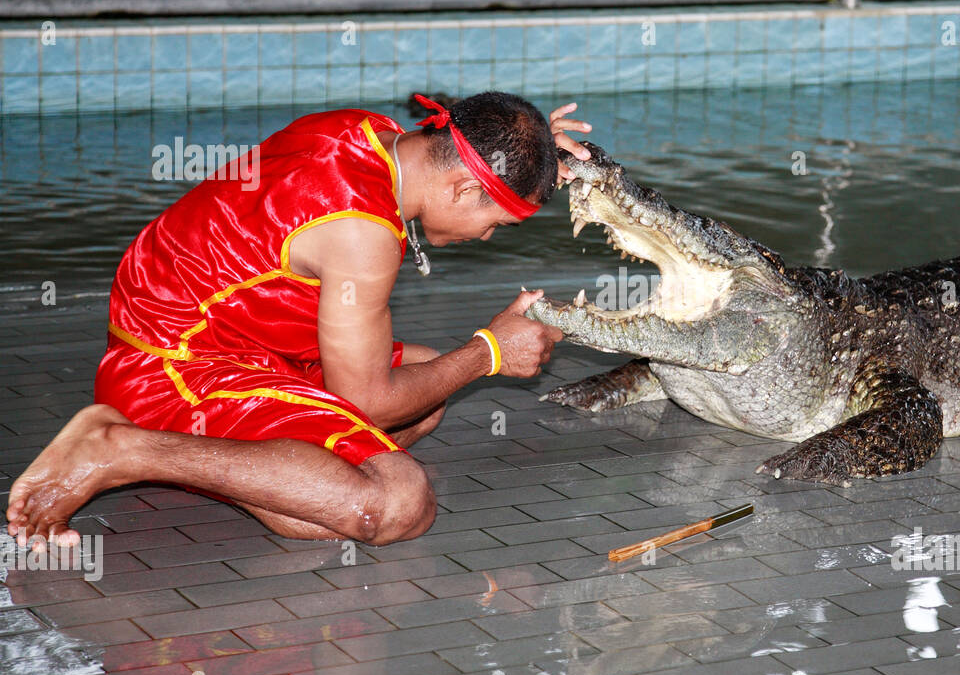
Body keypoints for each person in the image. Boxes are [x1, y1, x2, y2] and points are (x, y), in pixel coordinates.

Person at [6, 92, 591, 548]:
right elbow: (368, 401)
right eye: (495, 224)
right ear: (464, 187)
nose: (486, 236)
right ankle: (119, 449)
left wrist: (530, 151)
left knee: (425, 391)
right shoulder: (363, 234)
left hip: (225, 338)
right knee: (395, 504)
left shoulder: (366, 130)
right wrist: (487, 352)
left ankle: (259, 475)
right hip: (171, 369)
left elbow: (476, 148)